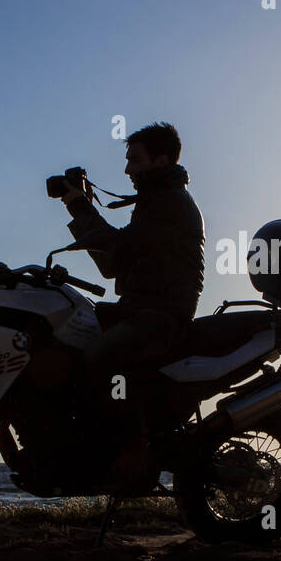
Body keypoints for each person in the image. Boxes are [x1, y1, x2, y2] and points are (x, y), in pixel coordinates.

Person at [57, 122, 205, 491]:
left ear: (162, 158)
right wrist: (81, 208)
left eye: (134, 160)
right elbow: (113, 265)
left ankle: (134, 450)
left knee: (100, 355)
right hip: (137, 307)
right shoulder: (154, 201)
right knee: (64, 328)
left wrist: (79, 205)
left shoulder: (168, 202)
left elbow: (118, 251)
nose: (127, 170)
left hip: (161, 315)